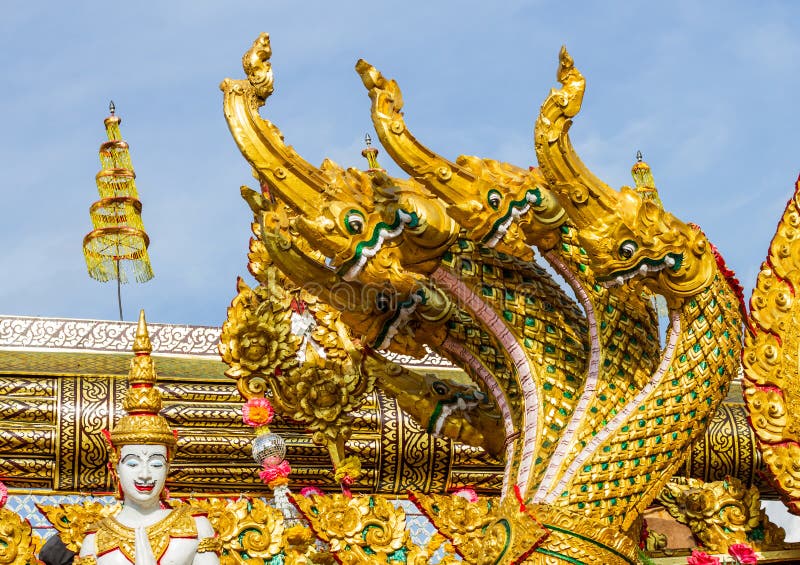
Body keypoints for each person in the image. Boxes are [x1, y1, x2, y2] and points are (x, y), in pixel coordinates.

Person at [75, 311, 220, 565]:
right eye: (132, 463)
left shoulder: (195, 527)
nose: (145, 474)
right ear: (115, 465)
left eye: (155, 463)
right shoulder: (96, 539)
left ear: (168, 465)